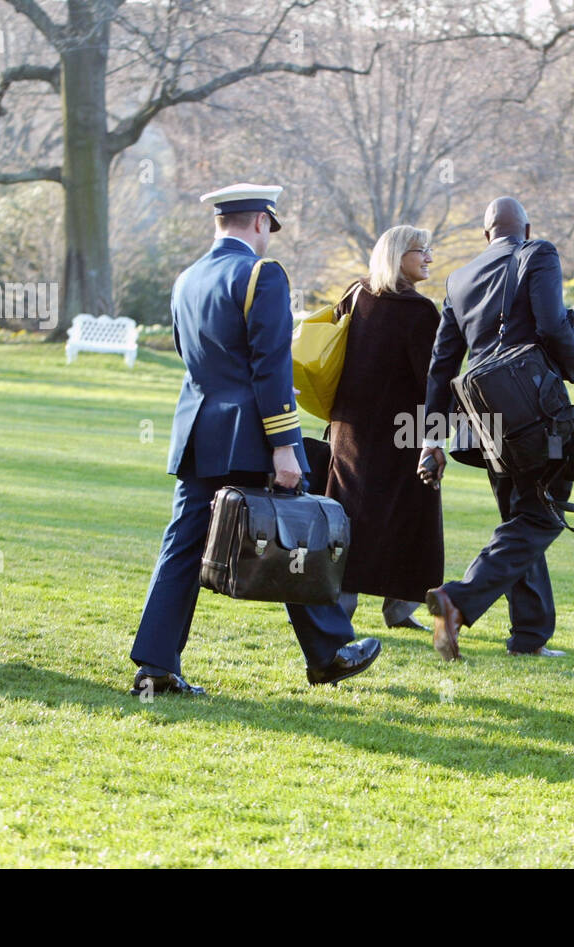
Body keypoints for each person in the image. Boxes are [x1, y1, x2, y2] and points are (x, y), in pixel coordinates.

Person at [129, 183, 380, 695]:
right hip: (252, 435)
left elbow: (191, 354)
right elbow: (270, 366)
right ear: (262, 222)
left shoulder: (187, 278)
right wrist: (285, 445)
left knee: (180, 548)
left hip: (199, 431)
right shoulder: (262, 274)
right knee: (298, 534)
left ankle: (155, 666)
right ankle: (329, 654)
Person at [418, 197, 574, 660]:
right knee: (542, 515)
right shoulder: (539, 252)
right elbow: (551, 324)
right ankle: (457, 600)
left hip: (482, 419)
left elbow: (441, 364)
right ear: (526, 228)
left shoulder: (458, 278)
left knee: (520, 516)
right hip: (532, 414)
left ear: (485, 234)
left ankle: (529, 636)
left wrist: (432, 438)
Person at [326, 225, 443, 632]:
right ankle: (394, 607)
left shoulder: (354, 294)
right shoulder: (421, 312)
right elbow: (434, 379)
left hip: (351, 429)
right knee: (412, 517)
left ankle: (355, 607)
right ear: (398, 255)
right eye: (421, 250)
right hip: (401, 432)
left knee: (351, 514)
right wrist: (435, 438)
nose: (429, 257)